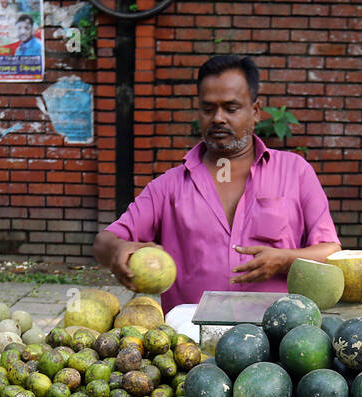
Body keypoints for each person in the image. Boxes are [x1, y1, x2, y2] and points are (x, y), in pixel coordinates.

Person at [94, 54, 341, 310]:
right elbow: (104, 240)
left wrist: (285, 260)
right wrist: (117, 251)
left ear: (255, 111)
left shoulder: (295, 172)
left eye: (231, 108)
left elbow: (330, 252)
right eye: (208, 109)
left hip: (277, 334)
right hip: (190, 340)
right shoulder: (169, 186)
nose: (218, 118)